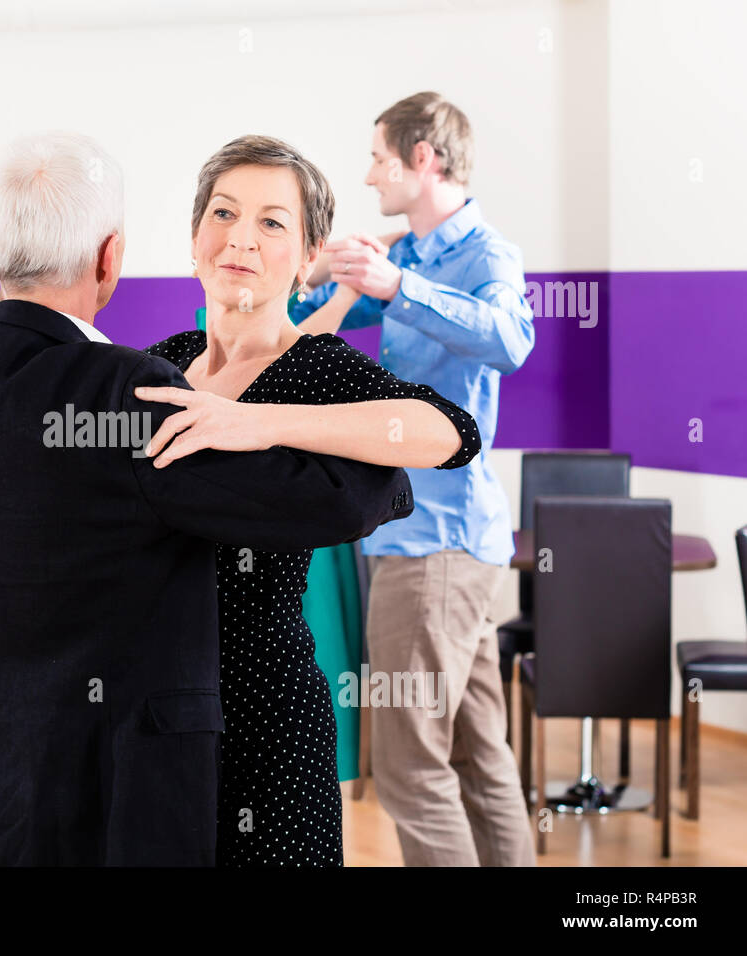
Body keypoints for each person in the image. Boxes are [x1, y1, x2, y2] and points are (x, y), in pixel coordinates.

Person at [0, 131, 414, 867]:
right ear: (110, 257)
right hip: (105, 787)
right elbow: (327, 504)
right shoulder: (127, 393)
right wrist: (380, 474)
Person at [136, 135, 482, 866]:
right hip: (153, 705)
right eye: (223, 214)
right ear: (195, 239)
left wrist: (258, 421)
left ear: (307, 255)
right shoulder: (159, 363)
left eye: (271, 223)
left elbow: (451, 431)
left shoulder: (315, 366)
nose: (240, 239)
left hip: (265, 706)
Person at [292, 92, 537, 866]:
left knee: (408, 768)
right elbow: (308, 324)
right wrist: (330, 273)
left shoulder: (481, 256)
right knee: (478, 758)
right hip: (433, 546)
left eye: (378, 159)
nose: (368, 176)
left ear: (423, 158)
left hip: (436, 549)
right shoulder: (409, 256)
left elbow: (510, 340)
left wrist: (398, 288)